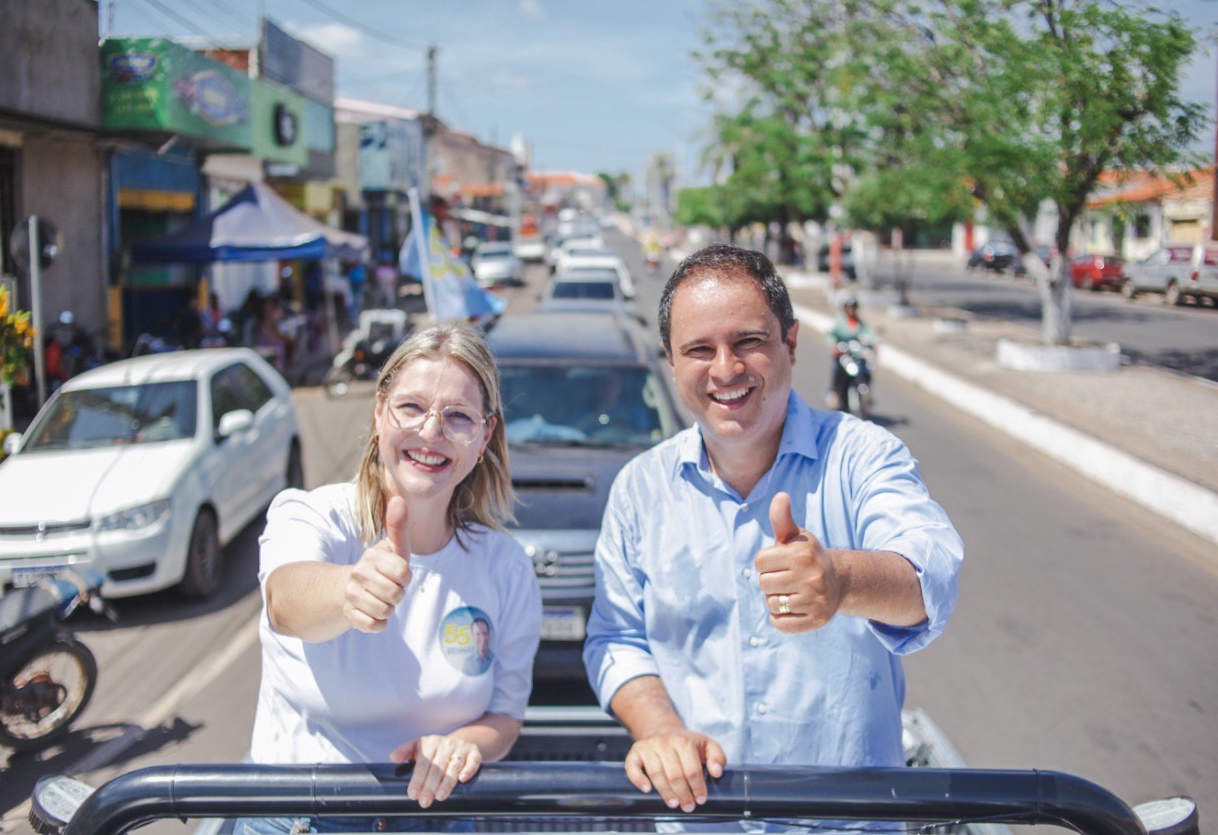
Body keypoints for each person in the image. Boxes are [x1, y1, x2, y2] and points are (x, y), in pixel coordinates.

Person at [583, 244, 963, 820]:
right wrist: (658, 729)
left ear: (790, 341)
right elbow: (616, 638)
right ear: (671, 362)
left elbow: (930, 576)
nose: (726, 370)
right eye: (698, 350)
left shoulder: (862, 456)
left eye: (748, 342)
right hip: (698, 823)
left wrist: (842, 580)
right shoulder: (639, 489)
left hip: (849, 826)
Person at [243, 323, 542, 834]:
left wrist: (463, 745)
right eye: (411, 407)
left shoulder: (506, 567)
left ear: (484, 436)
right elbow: (285, 601)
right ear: (380, 411)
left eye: (458, 417)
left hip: (438, 821)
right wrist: (348, 590)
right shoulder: (310, 517)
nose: (431, 432)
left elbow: (505, 720)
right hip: (300, 820)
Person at [826, 293, 878, 410]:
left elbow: (870, 334)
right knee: (839, 371)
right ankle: (835, 393)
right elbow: (831, 335)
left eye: (854, 307)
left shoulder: (860, 323)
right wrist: (834, 346)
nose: (851, 310)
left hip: (855, 354)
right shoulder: (840, 322)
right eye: (849, 307)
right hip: (843, 354)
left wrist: (873, 345)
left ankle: (865, 393)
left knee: (866, 370)